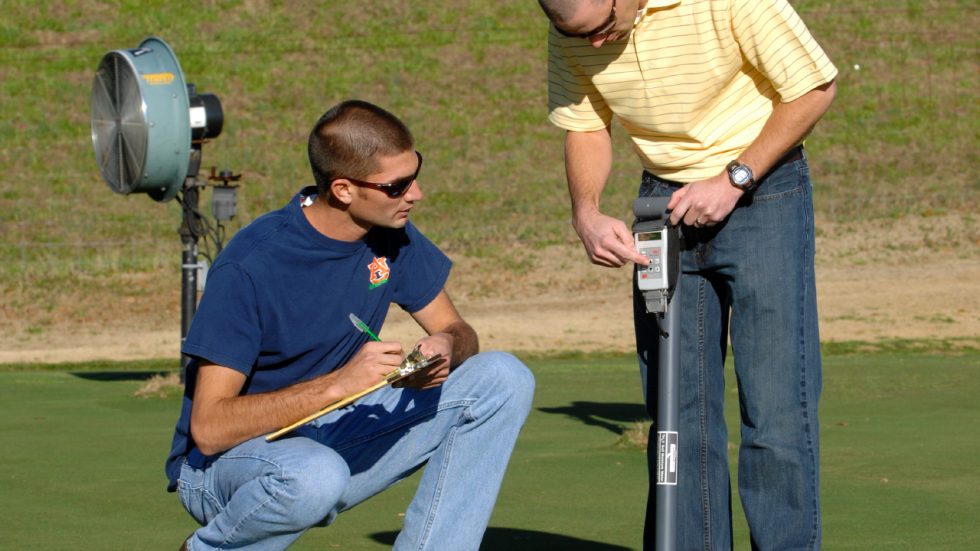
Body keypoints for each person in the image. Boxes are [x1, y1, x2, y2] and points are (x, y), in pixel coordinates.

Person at [164, 99, 535, 550]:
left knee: (502, 377)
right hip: (224, 465)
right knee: (314, 474)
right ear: (343, 189)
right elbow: (209, 427)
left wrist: (446, 346)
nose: (415, 193)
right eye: (397, 186)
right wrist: (339, 384)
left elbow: (458, 330)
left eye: (416, 173)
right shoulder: (250, 266)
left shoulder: (392, 234)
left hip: (333, 433)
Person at [535, 0, 837, 549]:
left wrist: (733, 179)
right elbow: (586, 123)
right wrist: (586, 211)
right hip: (662, 206)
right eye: (577, 35)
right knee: (677, 416)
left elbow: (814, 89)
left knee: (775, 411)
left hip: (762, 192)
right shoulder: (575, 29)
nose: (596, 44)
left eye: (602, 28)